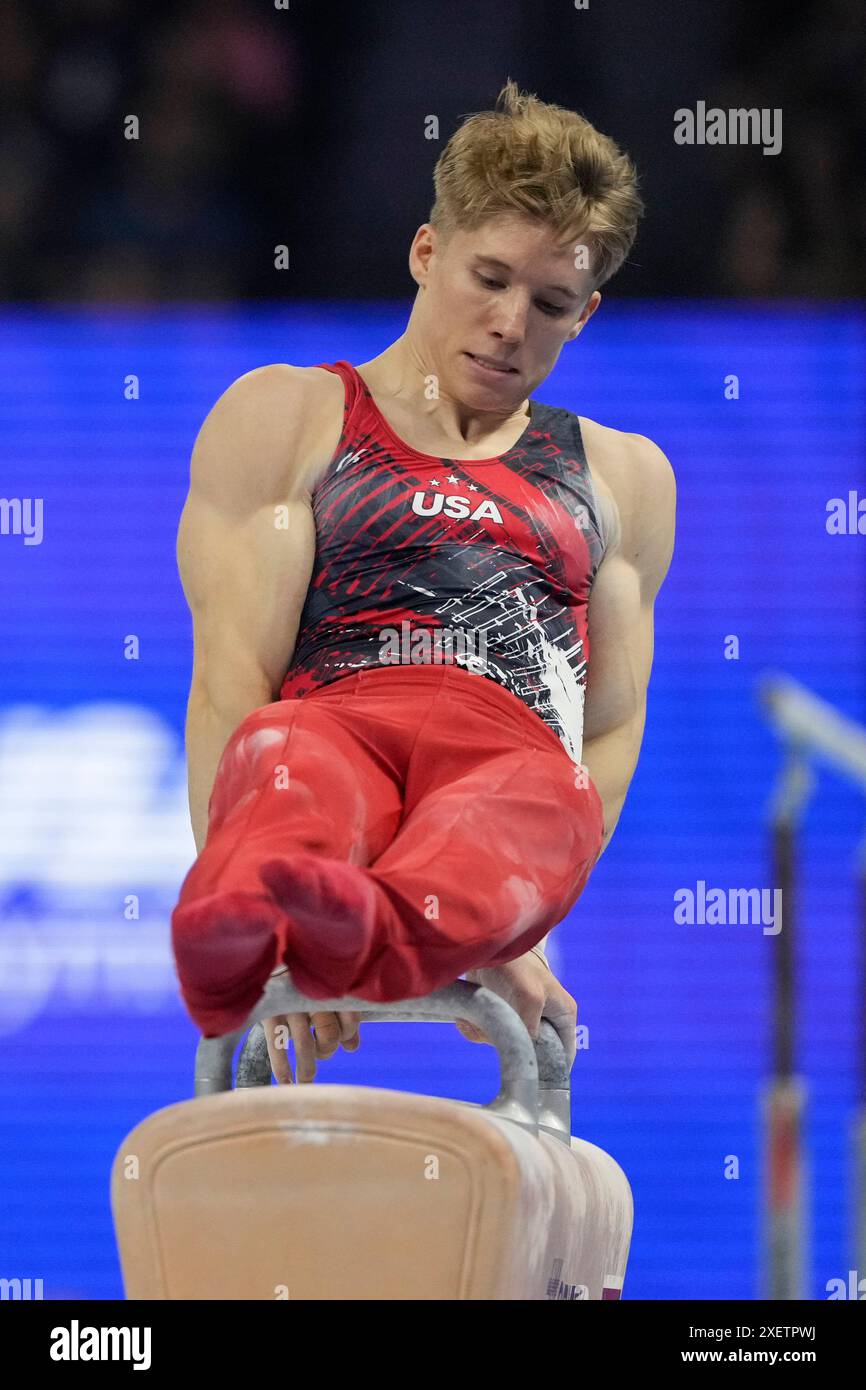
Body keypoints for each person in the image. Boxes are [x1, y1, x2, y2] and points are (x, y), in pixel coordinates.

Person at [171, 79, 676, 1084]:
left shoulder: (621, 475)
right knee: (286, 756)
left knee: (541, 799)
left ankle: (387, 928)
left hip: (505, 757)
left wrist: (514, 917)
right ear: (424, 250)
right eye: (487, 277)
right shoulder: (292, 417)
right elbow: (231, 685)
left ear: (585, 314)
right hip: (337, 718)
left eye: (548, 303)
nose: (507, 324)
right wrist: (278, 962)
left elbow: (606, 736)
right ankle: (248, 919)